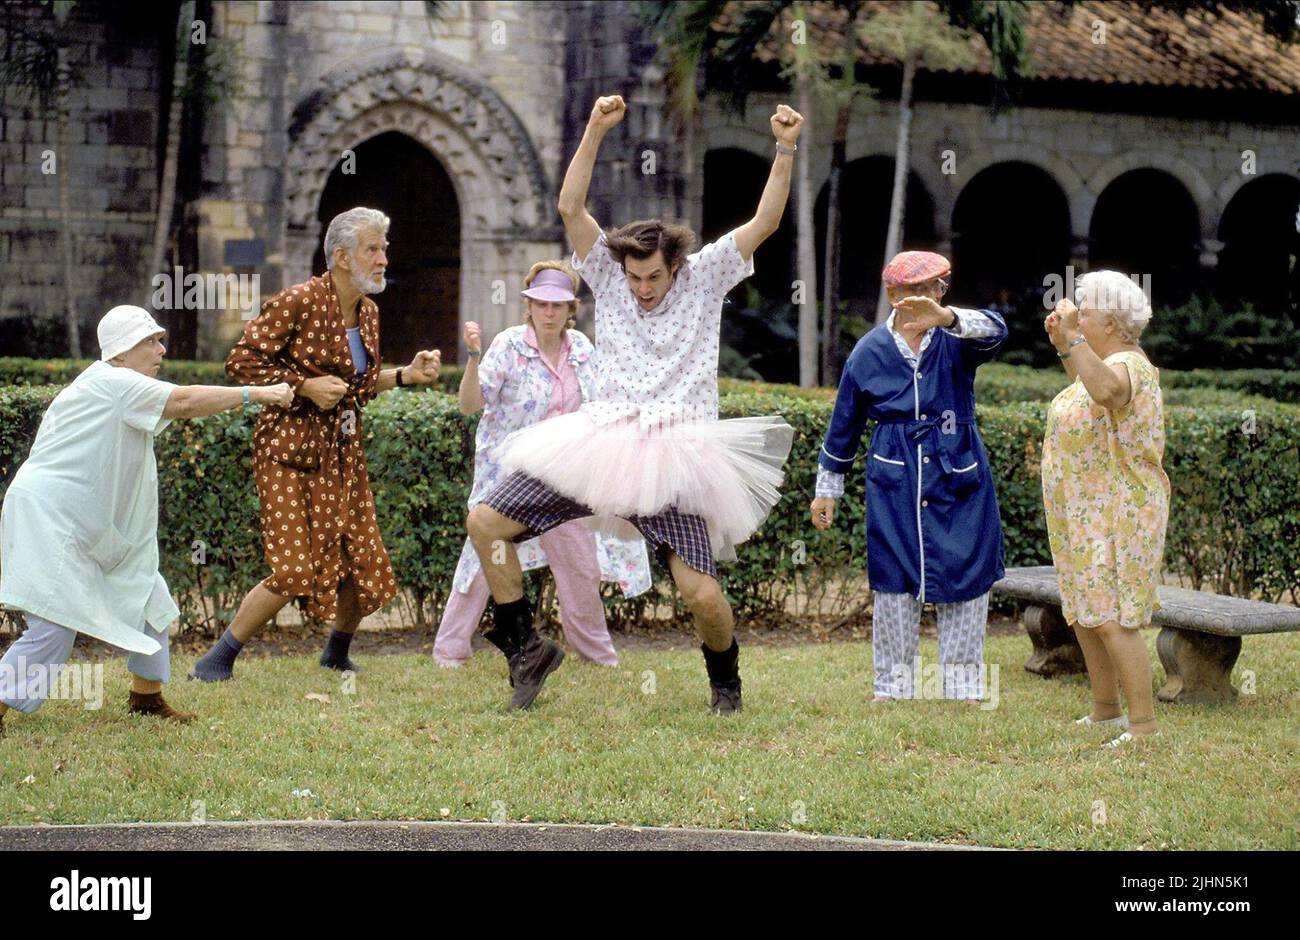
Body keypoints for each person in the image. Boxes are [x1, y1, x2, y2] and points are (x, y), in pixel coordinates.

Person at [466, 94, 804, 713]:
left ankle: (725, 684)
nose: (641, 289)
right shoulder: (611, 276)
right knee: (487, 521)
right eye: (633, 278)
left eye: (653, 277)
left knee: (700, 593)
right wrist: (594, 127)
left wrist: (783, 148)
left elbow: (765, 223)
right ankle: (524, 649)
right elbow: (570, 206)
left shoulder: (704, 276)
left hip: (676, 453)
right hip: (600, 444)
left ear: (675, 265)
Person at [0, 305, 294, 731]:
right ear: (121, 352)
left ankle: (146, 697)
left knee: (150, 599)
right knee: (54, 625)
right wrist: (258, 393)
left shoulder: (118, 384)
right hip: (48, 516)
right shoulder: (115, 382)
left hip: (81, 521)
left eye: (159, 340)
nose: (161, 350)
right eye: (150, 342)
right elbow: (186, 401)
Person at [188, 207, 441, 682]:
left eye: (384, 248)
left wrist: (406, 375)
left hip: (343, 453)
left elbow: (357, 389)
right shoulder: (297, 301)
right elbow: (241, 363)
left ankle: (336, 653)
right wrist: (304, 386)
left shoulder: (368, 314)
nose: (384, 258)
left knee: (364, 558)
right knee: (295, 569)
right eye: (374, 249)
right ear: (342, 257)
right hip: (287, 452)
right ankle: (216, 659)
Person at [810, 251, 1007, 702]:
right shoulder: (869, 351)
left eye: (936, 290)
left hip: (957, 469)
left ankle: (963, 687)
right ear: (893, 295)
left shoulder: (956, 339)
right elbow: (845, 424)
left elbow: (998, 331)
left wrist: (949, 317)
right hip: (893, 476)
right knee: (894, 579)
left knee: (965, 575)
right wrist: (827, 489)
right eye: (915, 292)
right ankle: (894, 687)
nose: (926, 300)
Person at [434, 261, 651, 668]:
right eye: (541, 304)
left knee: (581, 569)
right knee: (484, 563)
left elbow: (606, 406)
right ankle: (449, 652)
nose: (549, 313)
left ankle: (598, 655)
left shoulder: (584, 350)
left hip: (567, 480)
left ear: (571, 309)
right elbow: (469, 404)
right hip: (511, 479)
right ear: (529, 307)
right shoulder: (508, 346)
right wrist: (473, 358)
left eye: (558, 306)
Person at [1042, 270, 1169, 747]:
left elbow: (1108, 393)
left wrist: (1073, 336)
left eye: (1086, 309)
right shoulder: (1105, 358)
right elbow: (1085, 382)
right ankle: (1106, 711)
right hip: (1084, 510)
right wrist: (1065, 343)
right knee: (1086, 612)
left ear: (1113, 322)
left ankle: (1143, 727)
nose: (1077, 313)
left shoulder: (1130, 366)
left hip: (1119, 511)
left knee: (1115, 616)